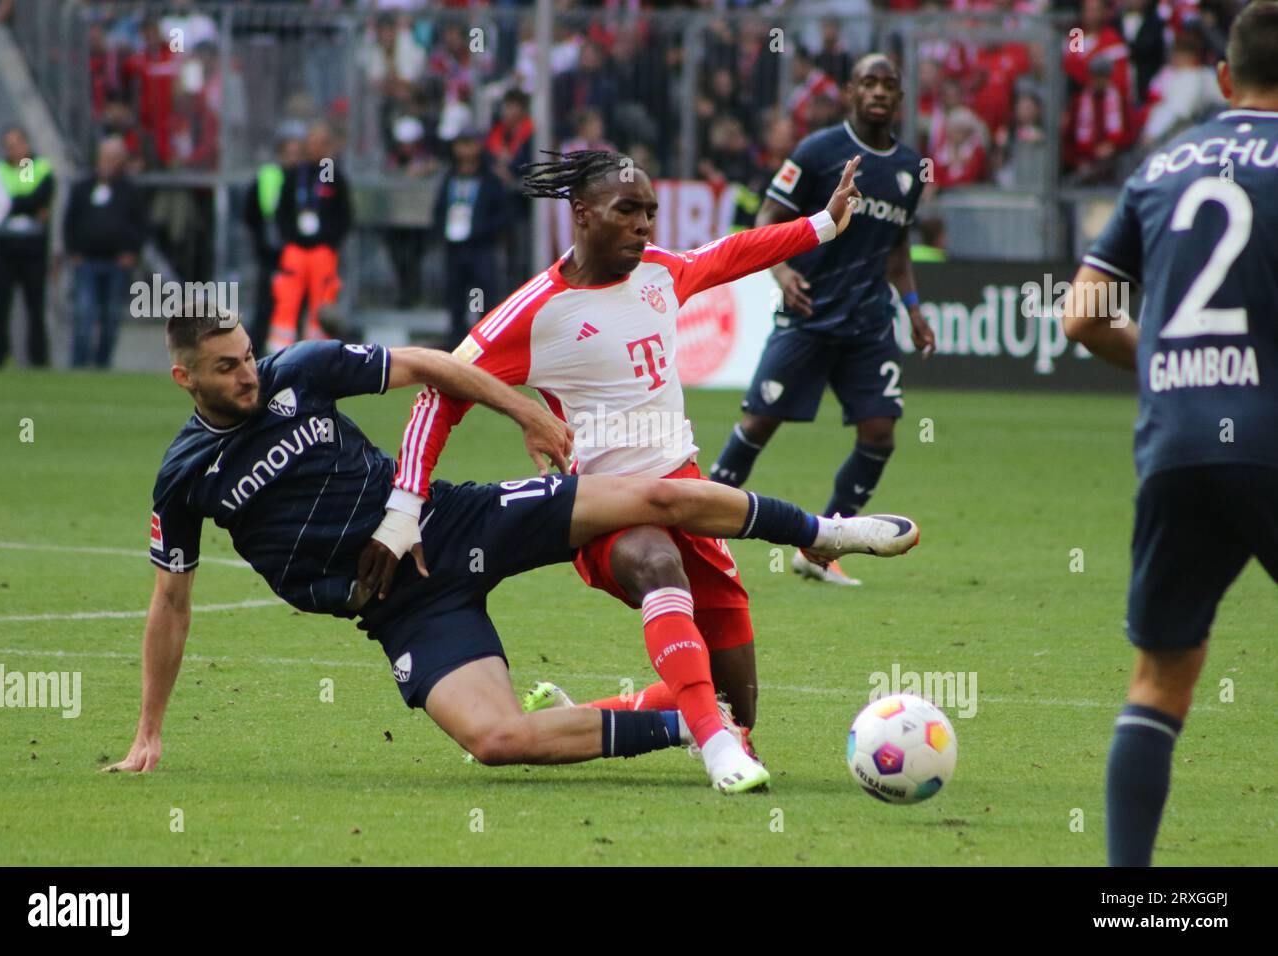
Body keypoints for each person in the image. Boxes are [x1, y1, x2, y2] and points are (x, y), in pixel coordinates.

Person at [107, 308, 903, 793]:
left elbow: (431, 367)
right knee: (497, 742)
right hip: (402, 608)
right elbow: (170, 600)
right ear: (183, 377)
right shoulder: (183, 479)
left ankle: (826, 531)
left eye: (247, 355)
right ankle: (687, 721)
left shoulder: (300, 371)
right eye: (226, 367)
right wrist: (149, 731)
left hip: (453, 522)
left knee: (651, 494)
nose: (248, 374)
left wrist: (522, 410)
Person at [376, 142, 918, 777]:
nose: (642, 224)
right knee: (657, 564)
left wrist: (823, 224)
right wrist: (405, 504)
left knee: (737, 704)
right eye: (626, 209)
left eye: (650, 212)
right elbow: (440, 396)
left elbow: (731, 254)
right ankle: (717, 745)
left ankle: (593, 720)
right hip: (602, 509)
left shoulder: (661, 270)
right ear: (579, 212)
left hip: (692, 500)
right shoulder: (534, 312)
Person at [1061, 0, 1278, 866]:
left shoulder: (1163, 166)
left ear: (1224, 79)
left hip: (1177, 447)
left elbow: (1081, 317)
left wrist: (1166, 367)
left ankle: (1133, 899)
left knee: (1157, 685)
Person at [709, 54, 937, 587]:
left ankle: (819, 549)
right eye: (868, 82)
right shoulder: (818, 152)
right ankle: (700, 532)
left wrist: (912, 307)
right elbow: (767, 218)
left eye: (889, 84)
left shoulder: (909, 169)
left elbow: (896, 246)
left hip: (869, 323)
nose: (879, 92)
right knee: (759, 423)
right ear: (851, 92)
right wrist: (781, 271)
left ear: (899, 99)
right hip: (809, 312)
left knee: (880, 435)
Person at [267, 121, 351, 353]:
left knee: (322, 305)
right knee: (286, 302)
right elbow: (281, 211)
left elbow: (342, 213)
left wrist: (329, 240)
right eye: (311, 142)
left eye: (321, 143)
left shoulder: (330, 173)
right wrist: (290, 236)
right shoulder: (295, 174)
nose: (315, 148)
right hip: (295, 249)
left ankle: (318, 353)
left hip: (322, 251)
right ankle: (278, 353)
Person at [62, 137, 147, 369]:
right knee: (84, 314)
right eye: (106, 156)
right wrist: (73, 251)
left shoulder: (130, 191)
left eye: (114, 157)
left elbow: (140, 225)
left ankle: (102, 364)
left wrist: (132, 251)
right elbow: (69, 222)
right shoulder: (82, 187)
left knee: (111, 317)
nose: (109, 162)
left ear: (121, 161)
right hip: (86, 261)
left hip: (116, 263)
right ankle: (78, 365)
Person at [431, 126, 513, 346]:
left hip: (480, 249)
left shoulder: (490, 180)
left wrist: (480, 230)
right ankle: (456, 343)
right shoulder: (450, 178)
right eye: (460, 145)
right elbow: (439, 210)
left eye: (469, 144)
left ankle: (482, 343)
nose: (465, 151)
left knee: (481, 297)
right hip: (455, 249)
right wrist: (444, 231)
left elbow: (503, 215)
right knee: (456, 297)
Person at [0, 126, 54, 368]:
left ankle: (37, 358)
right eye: (8, 144)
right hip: (4, 247)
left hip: (31, 248)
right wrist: (18, 206)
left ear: (26, 144)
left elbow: (28, 196)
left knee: (34, 306)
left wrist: (9, 205)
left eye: (17, 143)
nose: (13, 149)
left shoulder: (31, 167)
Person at [243, 129, 302, 356]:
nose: (293, 158)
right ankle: (255, 356)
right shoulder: (269, 176)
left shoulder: (306, 177)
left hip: (297, 255)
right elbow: (252, 214)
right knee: (266, 307)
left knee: (295, 309)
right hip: (272, 255)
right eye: (290, 152)